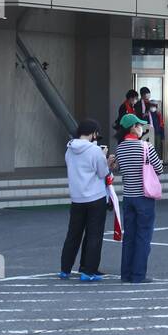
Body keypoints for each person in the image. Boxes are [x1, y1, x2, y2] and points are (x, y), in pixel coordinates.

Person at [60, 119, 113, 282]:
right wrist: (106, 159)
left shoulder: (69, 149)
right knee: (94, 235)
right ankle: (88, 271)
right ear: (93, 133)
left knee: (73, 234)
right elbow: (103, 173)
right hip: (95, 197)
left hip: (76, 197)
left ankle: (65, 269)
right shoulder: (95, 151)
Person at [114, 113, 163, 282]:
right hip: (144, 196)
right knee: (143, 236)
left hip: (128, 197)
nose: (142, 127)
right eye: (140, 125)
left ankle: (126, 274)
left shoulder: (119, 148)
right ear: (133, 127)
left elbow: (120, 169)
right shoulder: (145, 147)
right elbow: (159, 168)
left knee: (129, 236)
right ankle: (138, 275)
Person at [140, 87, 164, 151]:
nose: (153, 107)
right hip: (149, 134)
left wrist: (162, 135)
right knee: (150, 149)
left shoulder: (158, 115)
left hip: (157, 134)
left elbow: (161, 125)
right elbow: (144, 124)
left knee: (158, 149)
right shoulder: (147, 114)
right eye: (152, 105)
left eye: (154, 106)